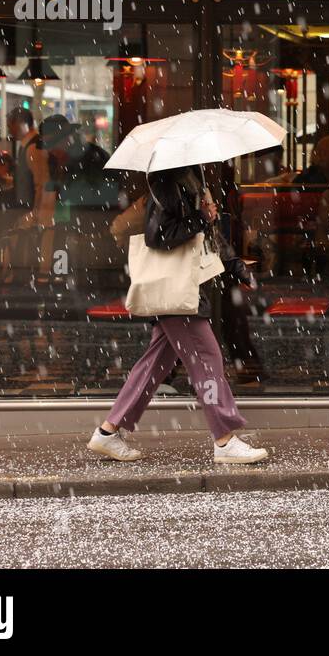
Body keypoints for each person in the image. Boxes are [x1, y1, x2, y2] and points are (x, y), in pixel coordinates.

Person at [88, 164, 269, 464]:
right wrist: (201, 217)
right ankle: (224, 440)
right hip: (178, 290)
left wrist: (235, 264)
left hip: (182, 288)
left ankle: (108, 432)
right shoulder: (167, 182)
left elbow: (206, 236)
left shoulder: (191, 179)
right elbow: (157, 235)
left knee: (155, 363)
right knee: (207, 357)